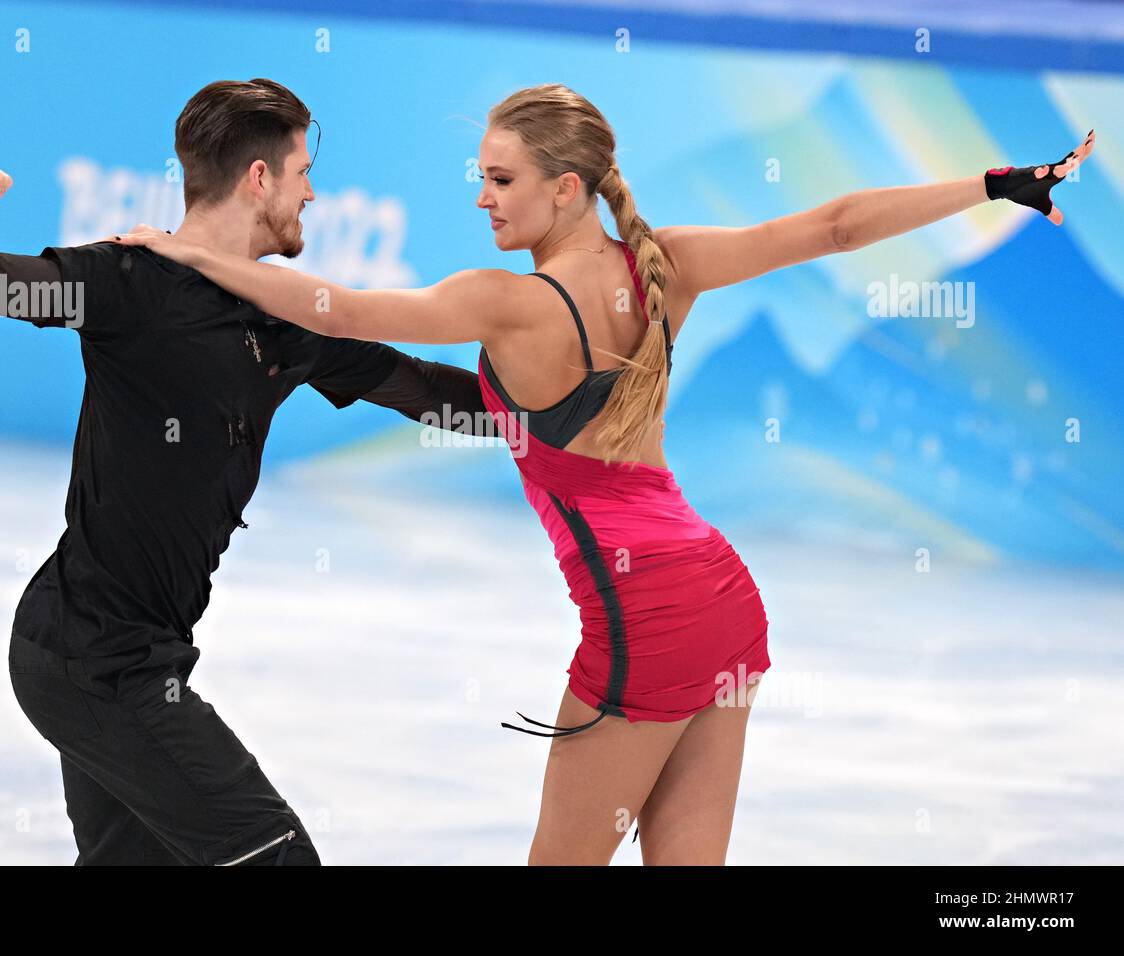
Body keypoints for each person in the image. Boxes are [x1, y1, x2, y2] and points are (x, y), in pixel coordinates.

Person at [113, 83, 1095, 865]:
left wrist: (191, 256)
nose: (481, 196)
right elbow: (836, 226)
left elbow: (335, 309)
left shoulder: (508, 303)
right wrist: (999, 183)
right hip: (723, 600)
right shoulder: (672, 264)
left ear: (566, 190)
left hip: (643, 626)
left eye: (500, 179)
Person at [0, 78, 491, 866]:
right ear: (258, 180)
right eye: (301, 173)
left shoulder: (285, 322)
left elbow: (426, 392)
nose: (312, 193)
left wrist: (555, 405)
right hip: (91, 657)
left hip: (127, 656)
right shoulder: (128, 281)